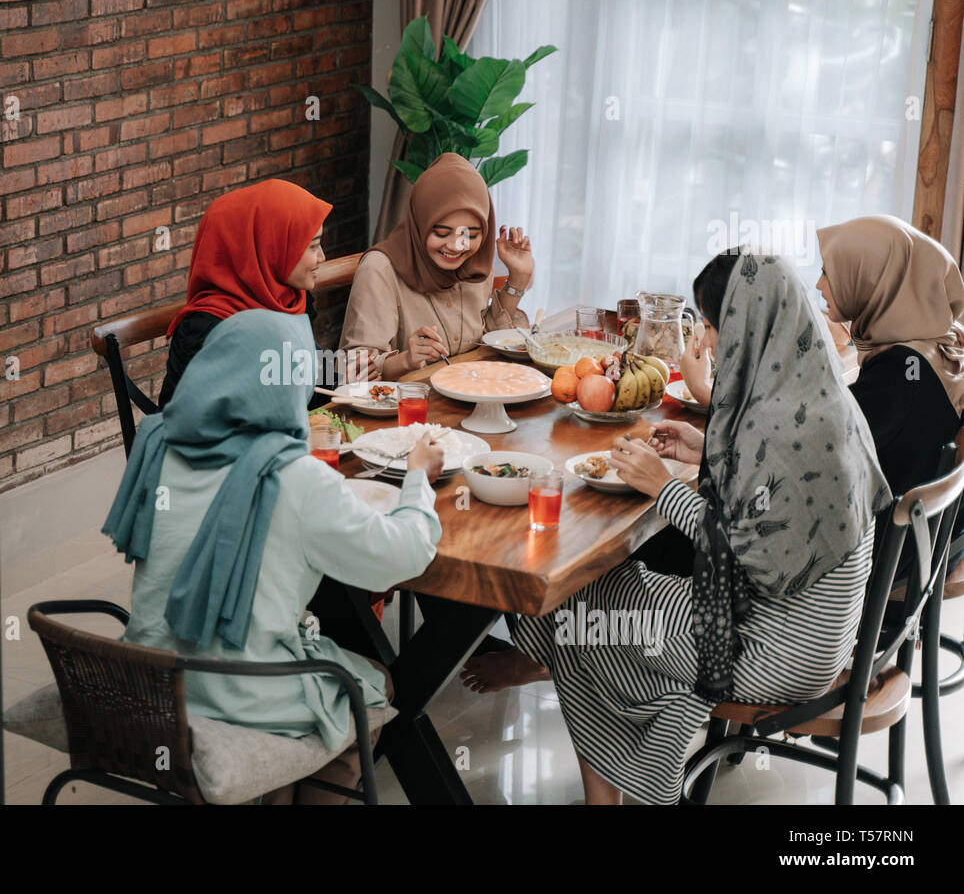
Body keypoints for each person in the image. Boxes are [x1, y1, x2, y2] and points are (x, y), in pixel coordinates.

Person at [464, 250, 891, 804]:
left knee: (580, 609)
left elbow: (746, 557)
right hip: (818, 638)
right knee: (592, 598)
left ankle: (615, 788)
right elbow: (767, 503)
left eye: (713, 324)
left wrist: (661, 489)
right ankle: (604, 767)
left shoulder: (785, 429)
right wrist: (706, 447)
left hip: (773, 649)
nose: (707, 340)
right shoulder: (814, 388)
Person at [103, 309, 446, 804]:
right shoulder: (296, 477)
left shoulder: (157, 444)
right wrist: (418, 477)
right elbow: (405, 554)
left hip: (149, 681)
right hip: (237, 692)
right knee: (374, 684)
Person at [159, 179, 375, 407]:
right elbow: (188, 424)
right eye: (313, 246)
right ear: (271, 247)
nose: (322, 258)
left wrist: (340, 376)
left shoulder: (290, 299)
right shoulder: (206, 329)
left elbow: (298, 375)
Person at [340, 153, 534, 379]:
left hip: (466, 397)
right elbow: (355, 371)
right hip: (408, 406)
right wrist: (406, 360)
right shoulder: (380, 270)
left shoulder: (474, 261)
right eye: (441, 232)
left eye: (470, 234)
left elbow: (485, 344)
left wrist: (518, 278)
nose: (455, 246)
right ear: (420, 222)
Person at [815, 214, 964, 498]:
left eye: (828, 273)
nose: (819, 285)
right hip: (922, 533)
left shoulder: (901, 371)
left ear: (872, 279)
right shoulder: (944, 342)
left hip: (875, 535)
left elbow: (820, 439)